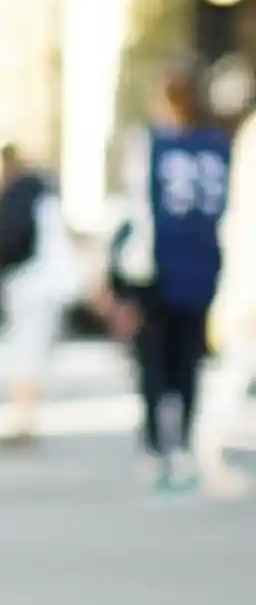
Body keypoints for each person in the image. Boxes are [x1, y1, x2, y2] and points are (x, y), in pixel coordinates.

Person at [107, 59, 230, 492]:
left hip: (156, 267)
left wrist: (117, 275)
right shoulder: (218, 146)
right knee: (189, 359)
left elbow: (136, 210)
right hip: (202, 265)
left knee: (154, 360)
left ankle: (158, 445)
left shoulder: (152, 146)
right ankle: (183, 445)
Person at [0, 145, 80, 445]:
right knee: (33, 354)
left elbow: (5, 243)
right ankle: (26, 417)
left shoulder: (14, 195)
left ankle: (23, 419)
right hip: (45, 284)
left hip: (24, 284)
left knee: (24, 353)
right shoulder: (43, 193)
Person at [193, 106, 256, 496]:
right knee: (235, 371)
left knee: (234, 371)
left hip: (243, 270)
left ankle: (211, 456)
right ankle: (211, 458)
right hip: (248, 275)